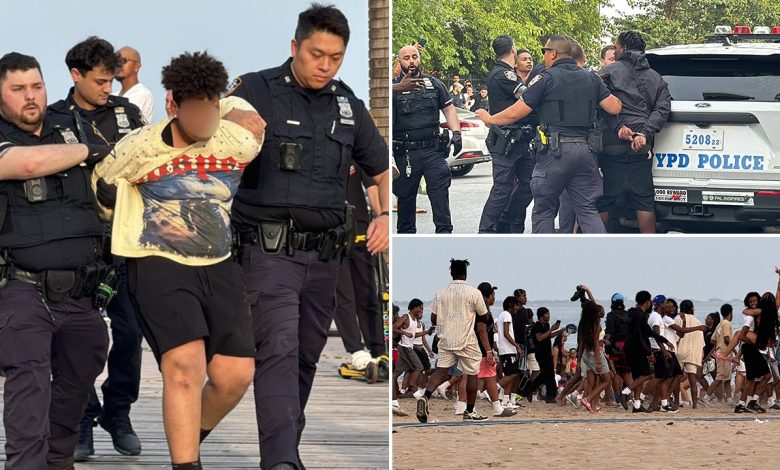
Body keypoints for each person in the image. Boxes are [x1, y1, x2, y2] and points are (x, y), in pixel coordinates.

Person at [225, 6, 390, 468]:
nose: (325, 65)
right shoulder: (254, 90)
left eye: (335, 57)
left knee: (304, 356)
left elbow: (379, 168)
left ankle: (285, 447)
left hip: (327, 256)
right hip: (268, 250)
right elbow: (212, 137)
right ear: (295, 46)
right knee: (276, 349)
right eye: (316, 54)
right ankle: (280, 460)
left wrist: (383, 216)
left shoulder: (346, 102)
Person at [94, 51, 265, 470]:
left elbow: (252, 121)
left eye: (211, 107)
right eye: (196, 110)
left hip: (219, 261)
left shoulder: (235, 140)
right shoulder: (138, 148)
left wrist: (227, 105)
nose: (206, 120)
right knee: (185, 368)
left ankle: (190, 433)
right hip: (156, 262)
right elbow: (101, 191)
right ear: (173, 104)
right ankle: (185, 464)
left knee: (235, 375)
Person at [0, 52, 113, 469]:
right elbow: (26, 163)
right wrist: (88, 151)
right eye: (17, 89)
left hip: (82, 291)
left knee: (85, 365)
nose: (30, 97)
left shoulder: (71, 126)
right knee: (29, 385)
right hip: (22, 288)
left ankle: (56, 460)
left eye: (36, 86)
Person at [48, 36, 147, 460]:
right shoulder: (53, 119)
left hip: (125, 242)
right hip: (76, 245)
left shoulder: (128, 114)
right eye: (101, 81)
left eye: (112, 81)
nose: (109, 89)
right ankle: (83, 419)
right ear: (76, 75)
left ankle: (118, 412)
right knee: (75, 339)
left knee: (129, 332)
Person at [475, 35, 622, 233]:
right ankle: (601, 260)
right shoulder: (591, 78)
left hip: (555, 153)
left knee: (544, 210)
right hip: (585, 152)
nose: (542, 57)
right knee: (587, 210)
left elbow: (518, 110)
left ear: (553, 53)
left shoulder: (545, 78)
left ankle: (545, 261)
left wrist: (490, 119)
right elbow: (614, 107)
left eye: (544, 52)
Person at [597, 31, 672, 233]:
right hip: (641, 148)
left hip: (611, 146)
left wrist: (619, 127)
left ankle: (594, 250)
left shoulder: (607, 72)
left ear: (622, 48)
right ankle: (649, 254)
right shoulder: (657, 78)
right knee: (644, 203)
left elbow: (599, 103)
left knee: (603, 201)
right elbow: (663, 109)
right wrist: (644, 133)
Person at [392, 44, 460, 234]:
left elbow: (449, 109)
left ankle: (444, 237)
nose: (411, 61)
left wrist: (457, 132)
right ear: (400, 62)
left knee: (440, 193)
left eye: (414, 56)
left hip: (433, 151)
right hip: (405, 153)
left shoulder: (435, 84)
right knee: (405, 202)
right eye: (406, 58)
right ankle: (406, 245)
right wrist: (397, 88)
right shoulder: (393, 88)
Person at [416, 259, 490, 422]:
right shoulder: (473, 292)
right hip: (466, 339)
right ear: (465, 273)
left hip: (445, 338)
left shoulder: (440, 293)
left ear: (451, 273)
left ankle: (425, 396)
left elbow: (434, 318)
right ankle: (470, 411)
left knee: (441, 371)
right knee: (472, 374)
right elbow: (484, 315)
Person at [478, 36, 531, 234]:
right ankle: (486, 230)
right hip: (506, 139)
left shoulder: (504, 73)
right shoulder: (504, 74)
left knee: (528, 183)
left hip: (519, 139)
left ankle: (506, 220)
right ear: (513, 49)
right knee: (502, 188)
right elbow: (527, 96)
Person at [334, 164, 385, 361]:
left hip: (361, 230)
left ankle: (379, 351)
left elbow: (373, 188)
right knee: (343, 295)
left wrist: (382, 220)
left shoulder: (358, 149)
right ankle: (356, 351)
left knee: (368, 293)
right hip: (332, 232)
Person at [474, 283, 517, 417]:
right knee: (472, 377)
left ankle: (497, 407)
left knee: (489, 376)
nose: (494, 298)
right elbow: (481, 331)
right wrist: (488, 351)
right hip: (480, 350)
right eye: (493, 295)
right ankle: (466, 406)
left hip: (483, 349)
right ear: (487, 297)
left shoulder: (484, 311)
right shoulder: (482, 312)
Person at [624, 291, 671, 413]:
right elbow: (641, 335)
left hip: (629, 348)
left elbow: (649, 332)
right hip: (637, 350)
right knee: (648, 374)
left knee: (638, 377)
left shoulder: (632, 313)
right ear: (647, 302)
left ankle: (637, 405)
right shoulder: (640, 315)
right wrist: (648, 352)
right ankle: (625, 392)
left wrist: (665, 340)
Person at [520, 307, 563, 403]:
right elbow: (540, 338)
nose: (548, 316)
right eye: (547, 314)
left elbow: (548, 336)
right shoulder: (538, 325)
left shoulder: (546, 325)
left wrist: (557, 332)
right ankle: (545, 394)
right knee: (547, 375)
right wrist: (551, 329)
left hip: (547, 352)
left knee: (548, 375)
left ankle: (547, 395)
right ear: (541, 315)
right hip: (541, 353)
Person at [674, 300, 706, 409]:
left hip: (680, 351)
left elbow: (676, 336)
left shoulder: (678, 319)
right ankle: (695, 405)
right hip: (693, 353)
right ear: (692, 308)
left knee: (676, 378)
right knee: (692, 380)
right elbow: (701, 342)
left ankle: (676, 402)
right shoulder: (697, 321)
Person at [393, 299, 427, 399]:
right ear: (413, 308)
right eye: (419, 308)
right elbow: (393, 327)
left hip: (408, 346)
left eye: (421, 308)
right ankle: (412, 388)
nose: (421, 310)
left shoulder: (415, 320)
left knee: (398, 371)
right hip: (404, 347)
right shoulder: (405, 317)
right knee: (419, 367)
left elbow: (414, 335)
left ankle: (394, 390)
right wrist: (404, 333)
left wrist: (427, 331)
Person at [496, 295, 524, 408]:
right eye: (516, 305)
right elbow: (506, 333)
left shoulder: (502, 315)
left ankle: (506, 400)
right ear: (510, 305)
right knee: (513, 375)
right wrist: (517, 346)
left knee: (510, 375)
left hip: (506, 350)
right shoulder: (506, 315)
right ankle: (493, 389)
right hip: (508, 350)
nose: (517, 308)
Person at [115, 46, 154, 124]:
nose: (118, 65)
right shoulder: (113, 95)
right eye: (116, 61)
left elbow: (121, 122)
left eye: (123, 60)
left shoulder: (142, 94)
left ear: (137, 66)